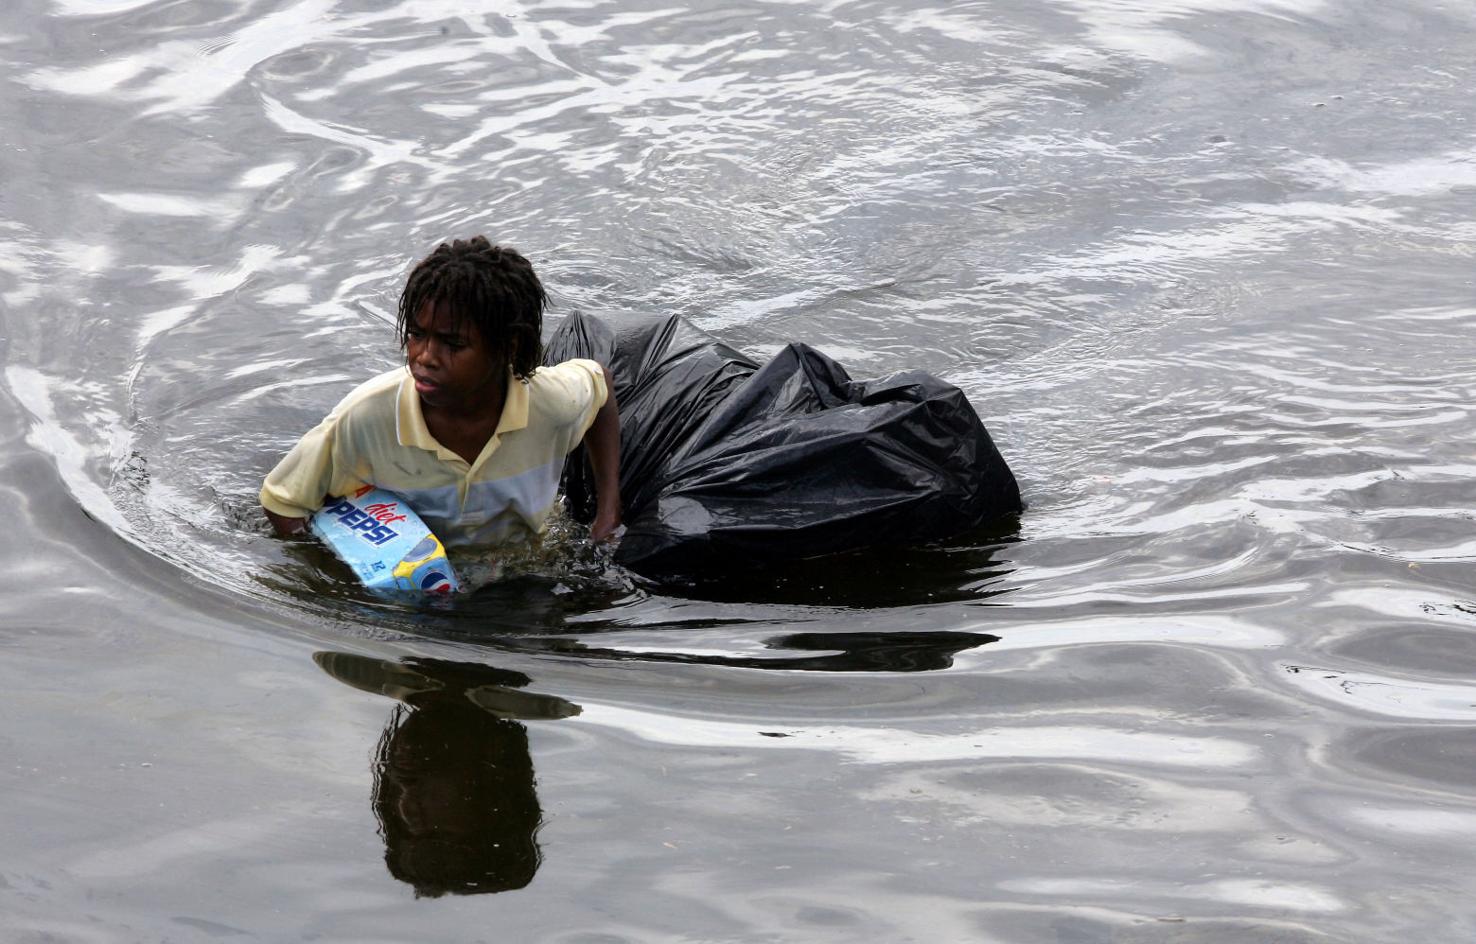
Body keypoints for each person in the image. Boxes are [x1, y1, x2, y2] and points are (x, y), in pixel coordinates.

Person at [260, 237, 621, 553]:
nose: (425, 357)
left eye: (453, 344)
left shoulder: (549, 403)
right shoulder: (366, 418)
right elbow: (282, 500)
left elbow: (600, 385)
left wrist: (608, 512)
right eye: (417, 335)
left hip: (519, 567)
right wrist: (340, 568)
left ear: (507, 347)